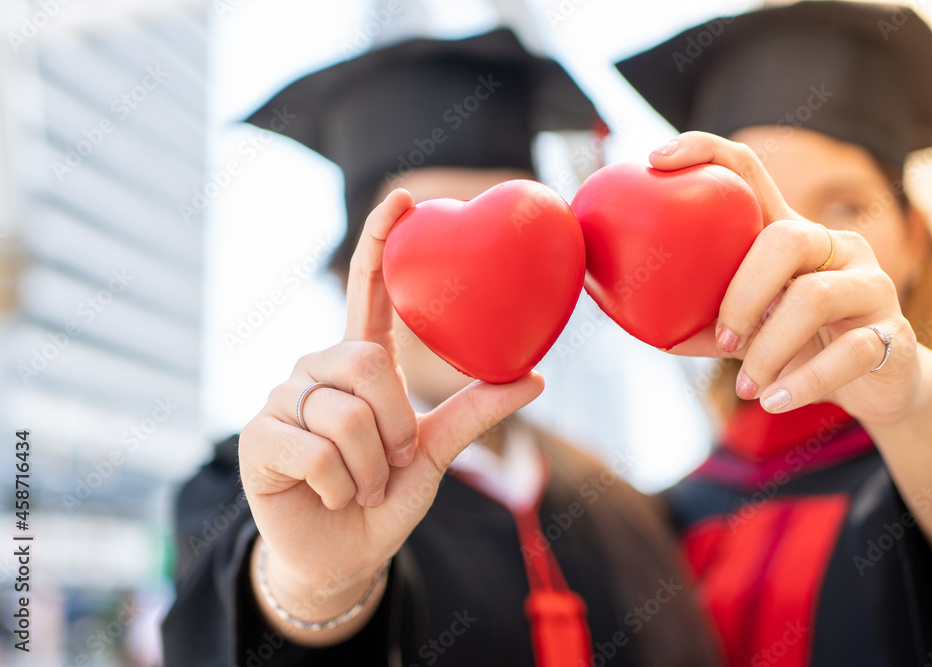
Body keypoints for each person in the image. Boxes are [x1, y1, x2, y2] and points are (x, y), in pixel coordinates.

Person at [161, 29, 720, 667]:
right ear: (352, 276)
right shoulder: (272, 488)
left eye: (520, 237)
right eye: (423, 239)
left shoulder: (628, 506)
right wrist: (316, 590)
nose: (481, 277)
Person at [613, 2, 932, 665]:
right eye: (752, 212)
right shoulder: (654, 521)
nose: (796, 245)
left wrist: (912, 408)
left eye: (845, 207)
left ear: (913, 241)